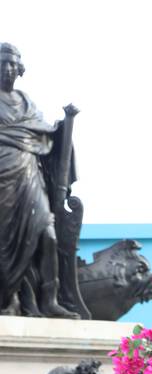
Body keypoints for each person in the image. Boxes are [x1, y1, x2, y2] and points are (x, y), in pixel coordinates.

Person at [0, 43, 76, 318]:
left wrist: (62, 127)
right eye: (3, 63)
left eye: (12, 64)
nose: (7, 69)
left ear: (19, 69)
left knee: (48, 235)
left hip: (29, 177)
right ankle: (9, 297)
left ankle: (51, 300)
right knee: (5, 244)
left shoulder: (26, 101)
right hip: (2, 181)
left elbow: (41, 134)